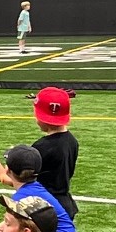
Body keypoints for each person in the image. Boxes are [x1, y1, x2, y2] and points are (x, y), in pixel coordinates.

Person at [30, 87, 79, 217]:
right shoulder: (72, 141)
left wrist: (2, 175)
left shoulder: (41, 147)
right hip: (64, 204)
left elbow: (24, 180)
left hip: (45, 208)